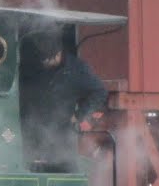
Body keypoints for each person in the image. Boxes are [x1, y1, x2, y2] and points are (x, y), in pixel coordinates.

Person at [18, 29, 109, 172]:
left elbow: (99, 92)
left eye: (48, 59)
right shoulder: (34, 66)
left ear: (58, 54)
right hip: (34, 131)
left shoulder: (78, 70)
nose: (44, 63)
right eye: (42, 60)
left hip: (62, 133)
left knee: (63, 171)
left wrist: (79, 115)